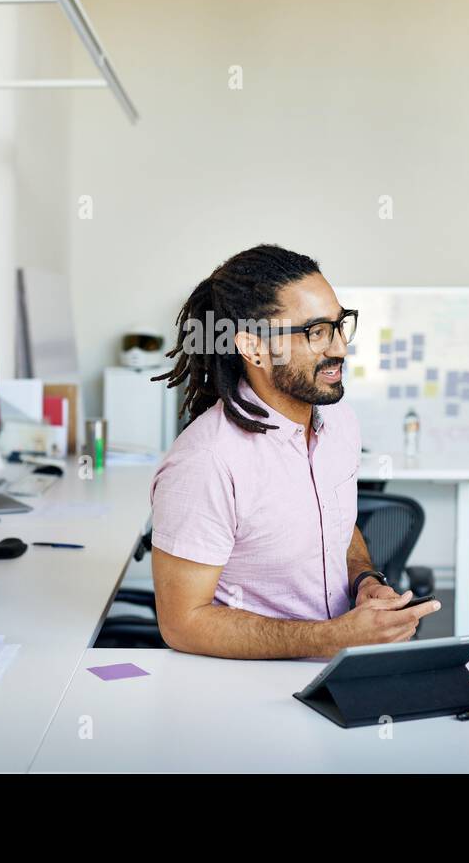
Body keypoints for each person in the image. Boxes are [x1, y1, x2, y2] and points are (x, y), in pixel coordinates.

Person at [148, 244, 439, 658]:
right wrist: (335, 636)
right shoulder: (207, 461)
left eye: (340, 326)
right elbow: (183, 624)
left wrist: (365, 581)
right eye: (315, 332)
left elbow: (339, 525)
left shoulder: (339, 423)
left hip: (339, 667)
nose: (338, 347)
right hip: (252, 690)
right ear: (253, 348)